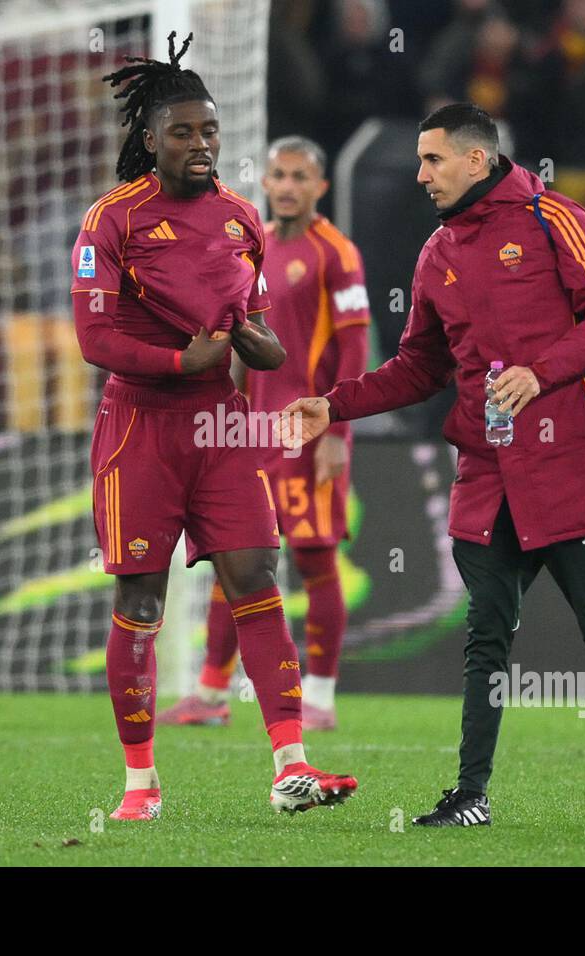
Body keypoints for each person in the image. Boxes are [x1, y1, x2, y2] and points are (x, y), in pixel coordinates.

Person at [278, 103, 585, 830]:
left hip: (571, 462)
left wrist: (539, 373)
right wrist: (332, 406)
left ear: (476, 159)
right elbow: (418, 368)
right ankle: (471, 796)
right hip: (489, 472)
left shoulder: (557, 221)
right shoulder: (438, 253)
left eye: (433, 160)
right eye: (421, 160)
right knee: (486, 637)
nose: (421, 173)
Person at [70, 34, 358, 820]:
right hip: (139, 429)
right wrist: (177, 361)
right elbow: (93, 341)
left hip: (222, 431)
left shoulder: (240, 221)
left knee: (257, 581)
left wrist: (263, 347)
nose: (203, 146)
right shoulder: (111, 221)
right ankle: (140, 783)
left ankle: (291, 765)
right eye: (185, 133)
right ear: (150, 138)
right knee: (139, 598)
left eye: (210, 132)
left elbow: (256, 327)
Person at [158, 136, 370, 732]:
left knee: (314, 556)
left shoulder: (338, 254)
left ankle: (322, 697)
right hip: (256, 434)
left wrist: (338, 429)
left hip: (312, 430)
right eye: (278, 175)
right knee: (238, 556)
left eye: (300, 176)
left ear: (320, 187)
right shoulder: (254, 249)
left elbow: (354, 346)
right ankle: (210, 693)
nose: (287, 186)